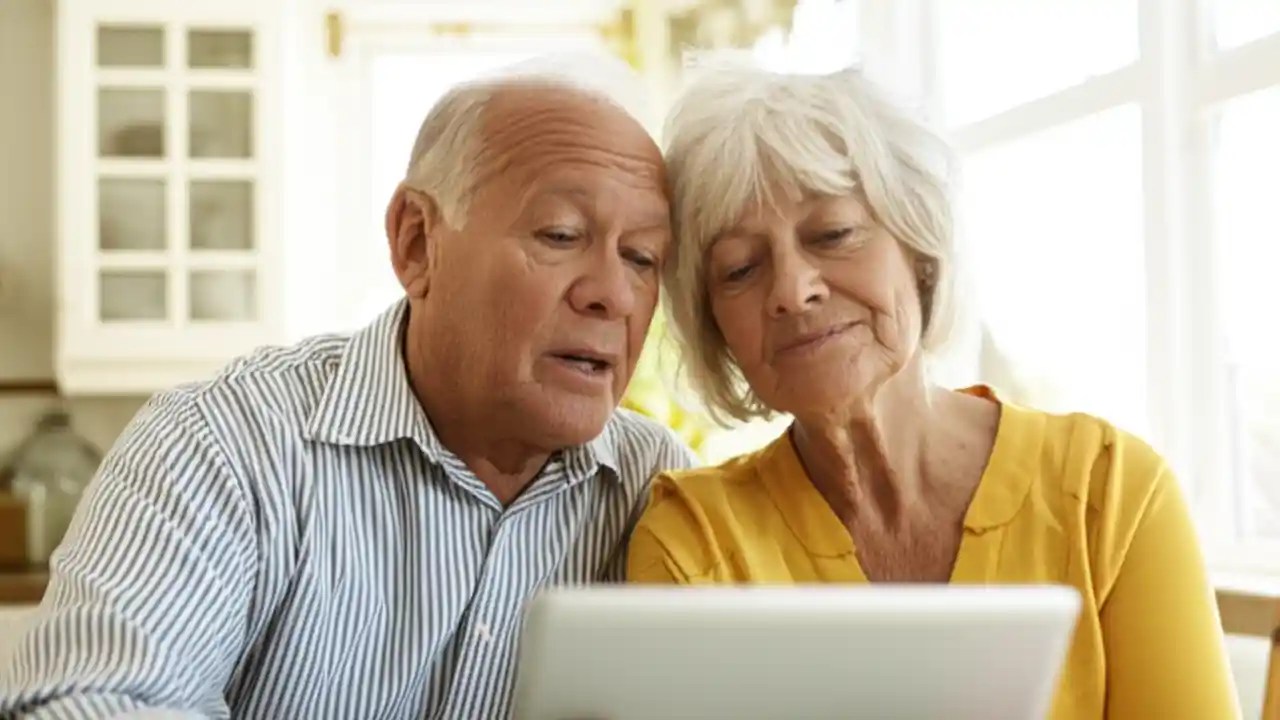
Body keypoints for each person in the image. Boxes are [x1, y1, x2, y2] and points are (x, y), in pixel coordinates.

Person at [0, 55, 694, 718]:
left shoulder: (659, 489)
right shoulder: (223, 446)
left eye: (641, 258)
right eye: (561, 233)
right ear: (417, 243)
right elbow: (89, 702)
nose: (613, 294)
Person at [626, 63, 1240, 719]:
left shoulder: (1110, 491)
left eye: (833, 234)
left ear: (919, 249)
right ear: (717, 329)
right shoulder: (694, 543)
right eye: (741, 269)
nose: (792, 291)